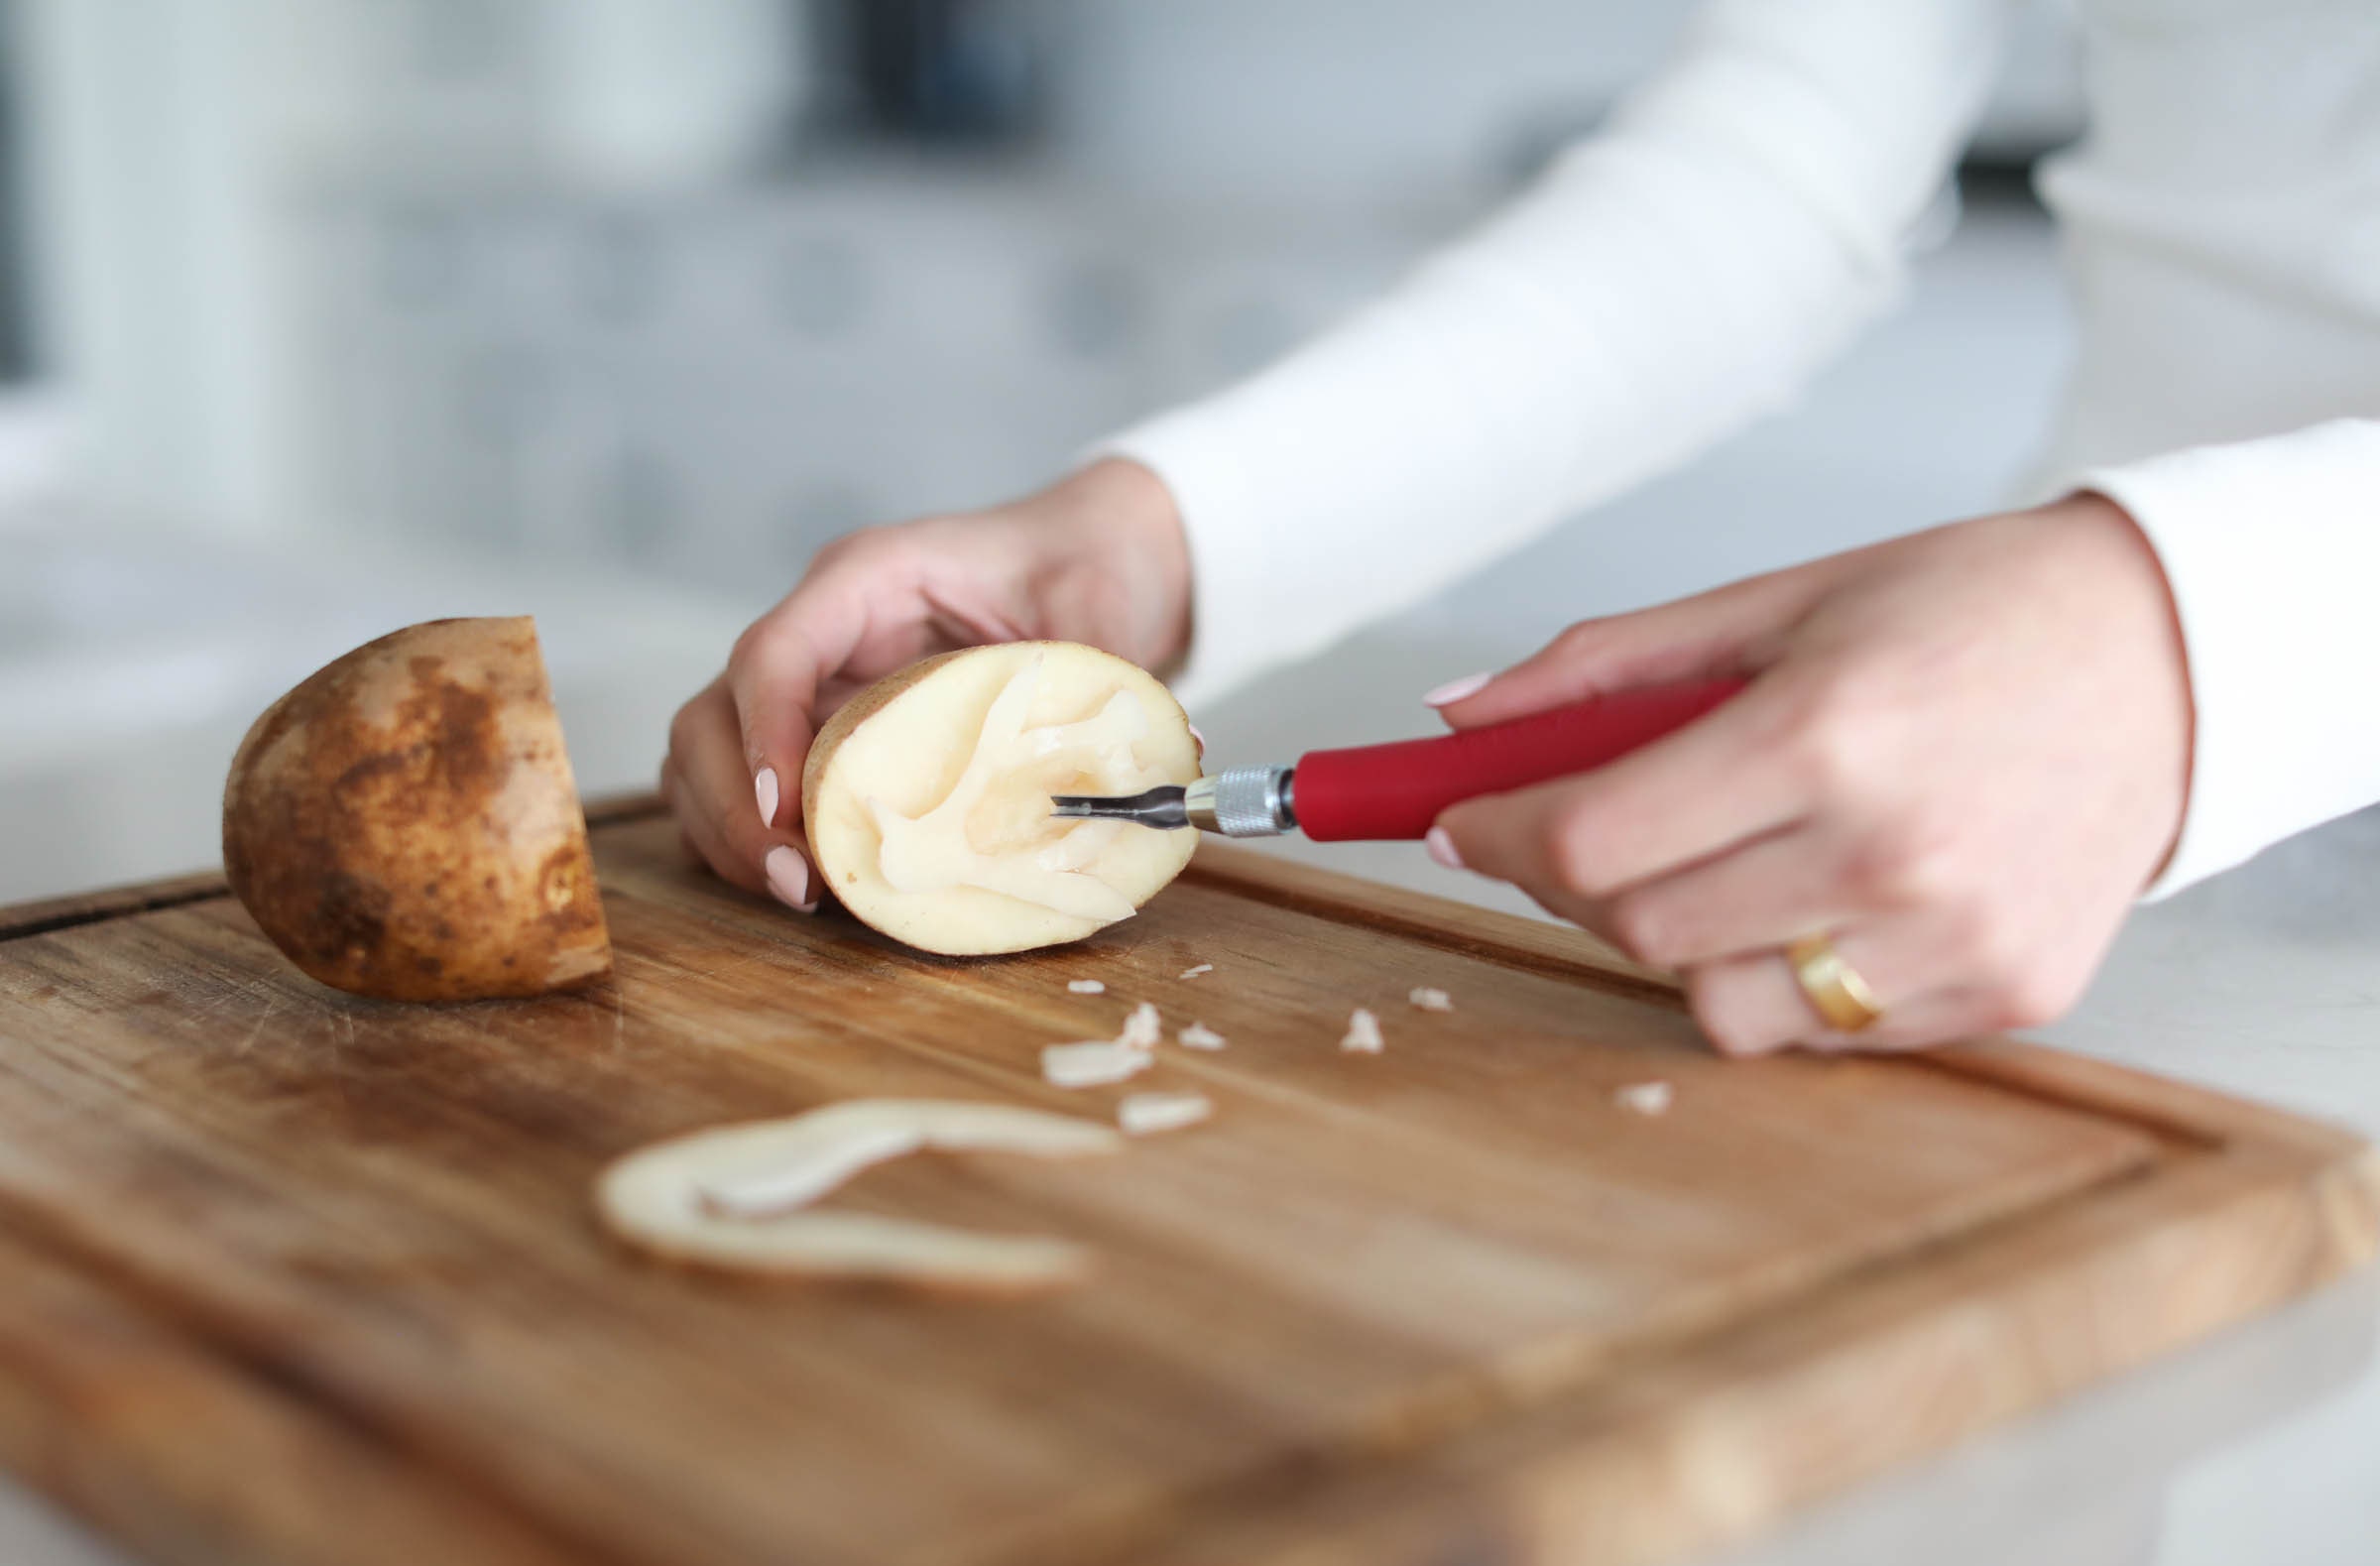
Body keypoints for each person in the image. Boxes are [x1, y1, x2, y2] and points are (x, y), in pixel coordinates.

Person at [663, 0, 2380, 1054]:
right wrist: (1164, 528)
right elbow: (1781, 168)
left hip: (2091, 712)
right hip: (2016, 850)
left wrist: (2218, 638)